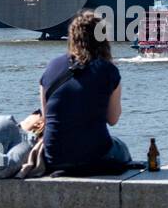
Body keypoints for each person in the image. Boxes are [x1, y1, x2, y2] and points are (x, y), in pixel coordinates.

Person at [38, 9, 130, 171]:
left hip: (54, 157)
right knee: (120, 147)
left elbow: (46, 119)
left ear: (72, 37)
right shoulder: (108, 70)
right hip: (94, 156)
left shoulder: (51, 67)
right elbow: (113, 119)